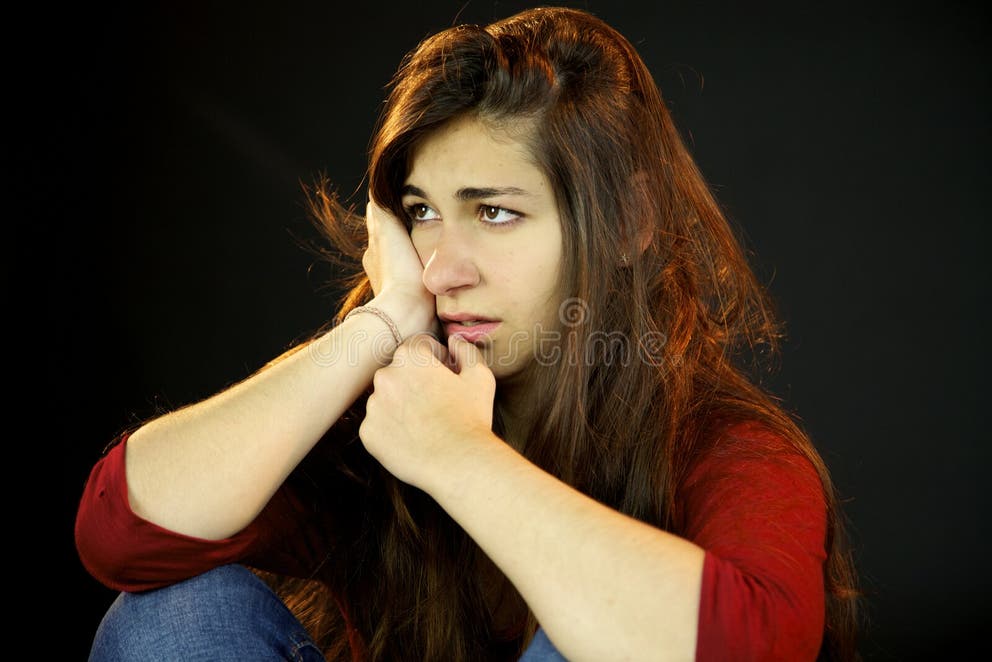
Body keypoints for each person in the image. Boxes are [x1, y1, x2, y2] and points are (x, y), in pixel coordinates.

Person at [75, 6, 861, 661]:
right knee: (166, 617)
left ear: (629, 223)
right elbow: (122, 536)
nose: (443, 267)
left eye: (495, 212)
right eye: (422, 213)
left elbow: (748, 647)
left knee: (591, 633)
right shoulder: (376, 429)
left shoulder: (732, 451)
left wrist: (456, 457)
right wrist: (378, 326)